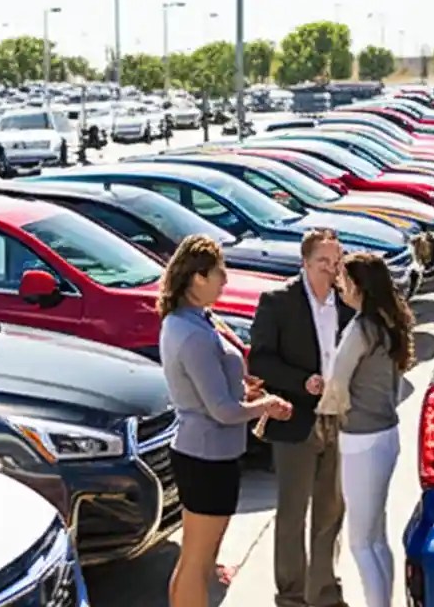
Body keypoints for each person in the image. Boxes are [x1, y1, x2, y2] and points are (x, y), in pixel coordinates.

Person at [159, 235, 294, 607]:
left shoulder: (190, 320)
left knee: (195, 560)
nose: (225, 280)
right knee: (197, 562)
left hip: (207, 454)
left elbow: (216, 395)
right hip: (206, 458)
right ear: (197, 278)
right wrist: (264, 404)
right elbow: (221, 409)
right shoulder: (191, 334)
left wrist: (246, 394)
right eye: (219, 273)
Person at [249, 228, 355, 607]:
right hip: (297, 421)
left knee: (331, 512)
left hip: (337, 419)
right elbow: (259, 359)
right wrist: (301, 382)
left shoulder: (347, 303)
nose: (331, 268)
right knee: (293, 514)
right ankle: (292, 596)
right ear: (305, 263)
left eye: (336, 260)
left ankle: (325, 592)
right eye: (323, 261)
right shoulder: (279, 302)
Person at [315, 252, 416, 607]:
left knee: (360, 541)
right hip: (387, 436)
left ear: (358, 285)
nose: (339, 286)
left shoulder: (361, 328)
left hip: (361, 439)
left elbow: (338, 383)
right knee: (376, 537)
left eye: (343, 280)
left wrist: (324, 404)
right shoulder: (390, 323)